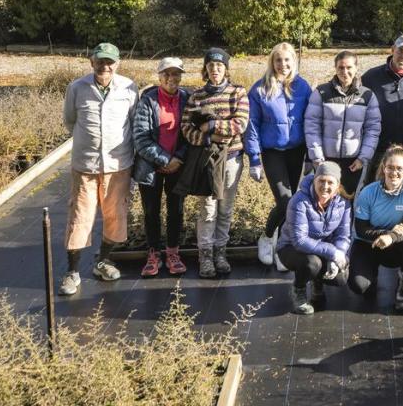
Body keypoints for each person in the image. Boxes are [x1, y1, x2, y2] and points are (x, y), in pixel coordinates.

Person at [59, 42, 140, 296]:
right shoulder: (77, 88)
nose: (105, 66)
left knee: (115, 215)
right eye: (100, 61)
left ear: (118, 64)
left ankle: (103, 261)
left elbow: (133, 122)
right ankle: (72, 272)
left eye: (110, 62)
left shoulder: (128, 88)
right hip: (86, 165)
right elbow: (70, 121)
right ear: (91, 62)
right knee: (80, 216)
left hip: (118, 164)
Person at [181, 47, 250, 279]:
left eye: (219, 66)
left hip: (231, 159)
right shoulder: (196, 96)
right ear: (205, 69)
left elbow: (240, 124)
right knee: (207, 210)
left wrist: (210, 125)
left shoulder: (237, 92)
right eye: (211, 66)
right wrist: (210, 138)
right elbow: (187, 129)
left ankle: (221, 253)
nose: (215, 70)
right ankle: (206, 256)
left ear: (226, 69)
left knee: (225, 209)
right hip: (208, 161)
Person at [245, 42, 313, 267]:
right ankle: (267, 236)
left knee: (294, 200)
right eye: (278, 60)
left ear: (293, 61)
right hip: (273, 151)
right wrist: (254, 159)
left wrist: (311, 156)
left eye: (287, 60)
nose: (283, 65)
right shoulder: (259, 89)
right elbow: (252, 125)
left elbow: (311, 122)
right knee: (286, 200)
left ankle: (284, 248)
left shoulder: (303, 87)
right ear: (271, 62)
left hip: (297, 150)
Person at [131, 57, 191, 278]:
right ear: (159, 76)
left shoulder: (187, 99)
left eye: (176, 73)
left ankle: (173, 252)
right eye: (167, 73)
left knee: (176, 210)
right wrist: (165, 160)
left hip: (178, 165)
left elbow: (190, 135)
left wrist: (178, 159)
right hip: (150, 167)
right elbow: (141, 138)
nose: (171, 78)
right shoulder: (148, 101)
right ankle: (153, 253)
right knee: (151, 211)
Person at [348, 145, 403, 312]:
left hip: (396, 245)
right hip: (369, 244)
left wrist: (391, 237)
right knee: (359, 287)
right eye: (390, 167)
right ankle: (371, 276)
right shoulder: (368, 192)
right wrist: (386, 234)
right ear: (383, 167)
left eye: (399, 169)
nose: (394, 172)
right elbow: (360, 229)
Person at [276, 161, 352, 315]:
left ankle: (317, 283)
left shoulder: (343, 204)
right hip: (291, 248)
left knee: (341, 277)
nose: (325, 186)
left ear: (337, 185)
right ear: (314, 180)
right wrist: (332, 252)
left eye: (330, 182)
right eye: (321, 181)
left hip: (321, 249)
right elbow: (300, 241)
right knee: (312, 264)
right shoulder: (299, 201)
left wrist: (337, 255)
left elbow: (343, 236)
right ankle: (298, 290)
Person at [305, 50, 382, 199]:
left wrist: (363, 158)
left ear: (356, 69)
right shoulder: (321, 92)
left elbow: (373, 129)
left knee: (348, 201)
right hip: (325, 159)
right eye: (341, 67)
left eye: (349, 68)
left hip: (353, 162)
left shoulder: (367, 96)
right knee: (323, 199)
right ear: (335, 68)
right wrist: (317, 158)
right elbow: (311, 126)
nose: (344, 72)